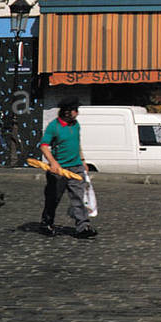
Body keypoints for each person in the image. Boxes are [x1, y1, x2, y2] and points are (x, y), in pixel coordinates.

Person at [39, 99, 95, 238]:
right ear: (67, 112)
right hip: (59, 170)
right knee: (53, 198)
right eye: (75, 110)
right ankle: (46, 223)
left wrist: (82, 160)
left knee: (79, 197)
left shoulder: (76, 125)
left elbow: (77, 143)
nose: (77, 113)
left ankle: (83, 227)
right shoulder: (54, 126)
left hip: (76, 167)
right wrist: (53, 163)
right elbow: (44, 146)